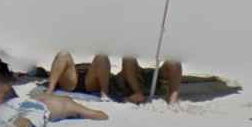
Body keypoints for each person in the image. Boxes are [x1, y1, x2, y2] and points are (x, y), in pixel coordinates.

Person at [44, 51, 181, 105]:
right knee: (63, 54)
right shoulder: (120, 80)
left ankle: (173, 98)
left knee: (103, 57)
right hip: (77, 78)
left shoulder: (122, 79)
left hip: (90, 81)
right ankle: (49, 90)